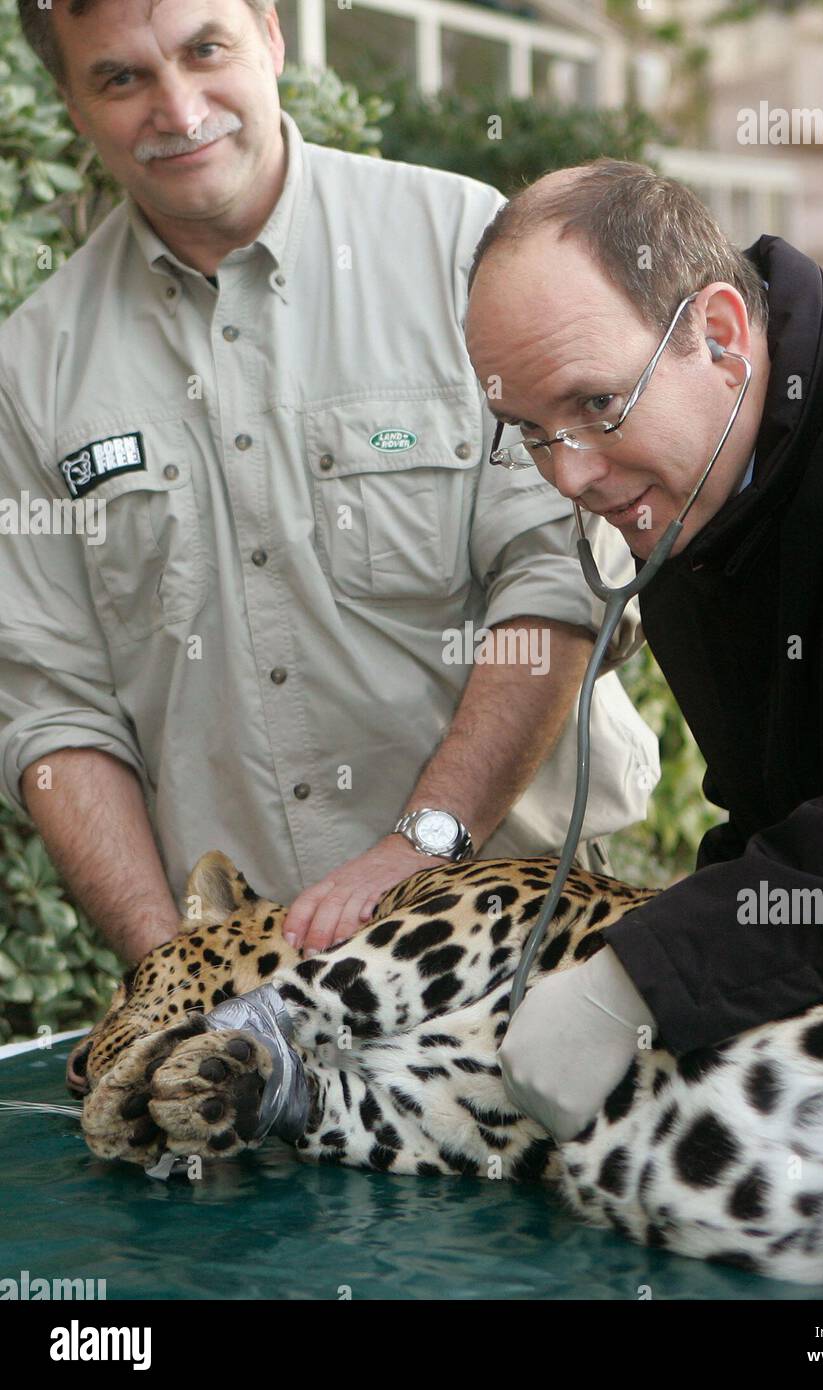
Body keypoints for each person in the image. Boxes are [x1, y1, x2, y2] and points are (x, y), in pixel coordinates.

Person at [0, 0, 659, 1007]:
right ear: (71, 106)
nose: (178, 109)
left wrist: (422, 843)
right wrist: (178, 975)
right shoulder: (33, 367)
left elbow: (561, 570)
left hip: (537, 939)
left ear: (270, 34)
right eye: (120, 78)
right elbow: (54, 713)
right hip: (259, 993)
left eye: (202, 50)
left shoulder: (462, 243)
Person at [465, 159, 823, 1143]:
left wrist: (644, 975)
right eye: (528, 433)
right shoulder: (683, 486)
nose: (570, 474)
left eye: (594, 405)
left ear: (717, 335)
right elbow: (776, 813)